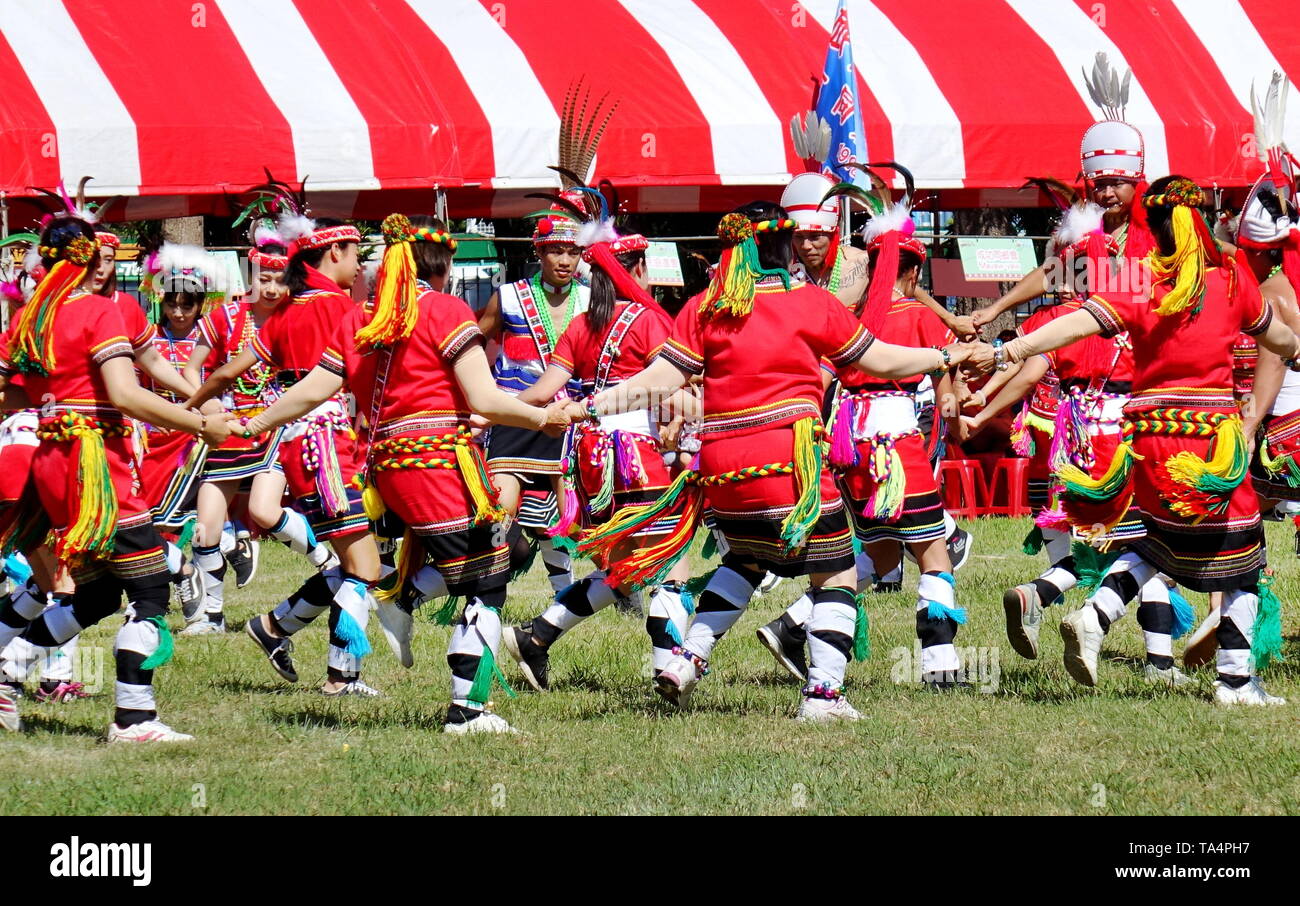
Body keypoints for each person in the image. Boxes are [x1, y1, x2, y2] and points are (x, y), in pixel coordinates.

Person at [570, 202, 990, 721]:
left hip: (722, 473)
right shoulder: (809, 302)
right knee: (835, 571)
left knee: (744, 561)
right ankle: (823, 695)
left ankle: (687, 658)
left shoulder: (704, 306)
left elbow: (655, 382)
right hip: (787, 465)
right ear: (786, 246)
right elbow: (879, 360)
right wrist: (947, 357)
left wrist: (585, 406)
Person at [227, 213, 570, 733]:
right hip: (436, 465)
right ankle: (465, 707)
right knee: (487, 580)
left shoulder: (360, 317)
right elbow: (483, 397)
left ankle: (403, 602)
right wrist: (543, 416)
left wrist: (255, 421)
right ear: (442, 261)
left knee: (496, 555)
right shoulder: (444, 310)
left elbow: (312, 391)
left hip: (389, 467)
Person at [1004, 176, 1300, 705]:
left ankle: (1095, 616)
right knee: (1244, 556)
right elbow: (1277, 338)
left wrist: (1009, 349)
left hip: (1144, 439)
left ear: (1155, 228)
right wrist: (1294, 346)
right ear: (1199, 223)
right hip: (1209, 442)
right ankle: (1235, 682)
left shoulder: (1137, 282)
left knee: (1152, 542)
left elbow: (1073, 325)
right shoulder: (1230, 279)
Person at [0, 213, 230, 739]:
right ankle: (134, 717)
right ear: (87, 259)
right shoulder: (99, 312)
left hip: (53, 462)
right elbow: (126, 394)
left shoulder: (32, 317)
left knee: (98, 596)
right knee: (150, 591)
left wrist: (49, 402)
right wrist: (199, 423)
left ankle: (9, 668)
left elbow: (11, 394)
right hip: (95, 467)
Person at [757, 198, 969, 688]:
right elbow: (945, 381)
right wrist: (954, 400)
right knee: (935, 553)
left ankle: (791, 626)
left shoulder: (845, 313)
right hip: (894, 440)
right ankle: (940, 665)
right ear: (912, 270)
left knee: (882, 556)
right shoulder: (917, 313)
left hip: (849, 443)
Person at [186, 213, 383, 696]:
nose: (359, 266)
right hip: (327, 442)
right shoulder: (338, 306)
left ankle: (275, 627)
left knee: (349, 562)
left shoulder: (285, 315)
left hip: (297, 444)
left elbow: (224, 373)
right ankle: (341, 676)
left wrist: (193, 414)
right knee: (366, 569)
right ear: (333, 253)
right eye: (356, 253)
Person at [499, 229, 693, 690]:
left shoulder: (581, 326)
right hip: (635, 455)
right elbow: (666, 385)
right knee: (669, 562)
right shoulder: (648, 320)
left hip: (590, 459)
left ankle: (538, 635)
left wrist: (495, 414)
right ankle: (668, 669)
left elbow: (543, 392)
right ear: (640, 270)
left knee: (625, 570)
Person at [182, 230, 298, 635]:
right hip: (228, 429)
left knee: (264, 511)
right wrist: (210, 406)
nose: (270, 287)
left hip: (279, 429)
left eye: (279, 278)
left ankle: (332, 570)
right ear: (250, 277)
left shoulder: (297, 318)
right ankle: (210, 615)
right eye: (262, 278)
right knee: (206, 527)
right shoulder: (224, 318)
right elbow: (190, 369)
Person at [477, 199, 589, 596]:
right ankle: (487, 587)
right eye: (556, 250)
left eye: (573, 252)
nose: (564, 260)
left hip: (569, 417)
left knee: (564, 513)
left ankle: (569, 595)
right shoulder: (508, 298)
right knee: (502, 506)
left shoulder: (592, 301)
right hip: (515, 412)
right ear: (538, 251)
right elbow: (471, 346)